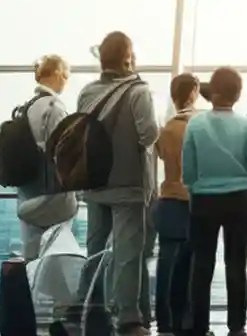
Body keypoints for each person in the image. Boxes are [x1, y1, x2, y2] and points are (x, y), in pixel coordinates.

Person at [76, 31, 159, 336]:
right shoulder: (139, 91)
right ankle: (127, 317)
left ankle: (90, 305)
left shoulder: (87, 92)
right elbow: (149, 134)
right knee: (127, 253)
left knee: (95, 248)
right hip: (128, 184)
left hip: (95, 182)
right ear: (128, 57)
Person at [183, 67, 247, 336]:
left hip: (204, 200)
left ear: (212, 93)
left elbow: (188, 171)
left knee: (202, 263)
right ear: (238, 94)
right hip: (239, 200)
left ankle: (200, 326)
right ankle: (237, 326)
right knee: (236, 263)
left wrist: (198, 185)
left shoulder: (195, 124)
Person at [154, 73, 200, 336]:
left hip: (169, 198)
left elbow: (161, 155)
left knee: (166, 263)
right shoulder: (200, 126)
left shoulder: (167, 128)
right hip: (193, 200)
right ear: (193, 92)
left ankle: (164, 321)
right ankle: (188, 319)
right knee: (191, 264)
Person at [17, 54, 72, 259]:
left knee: (32, 252)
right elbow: (61, 151)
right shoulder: (53, 108)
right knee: (53, 254)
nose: (66, 82)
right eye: (66, 76)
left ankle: (30, 290)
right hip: (50, 191)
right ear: (57, 73)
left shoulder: (28, 107)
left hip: (28, 188)